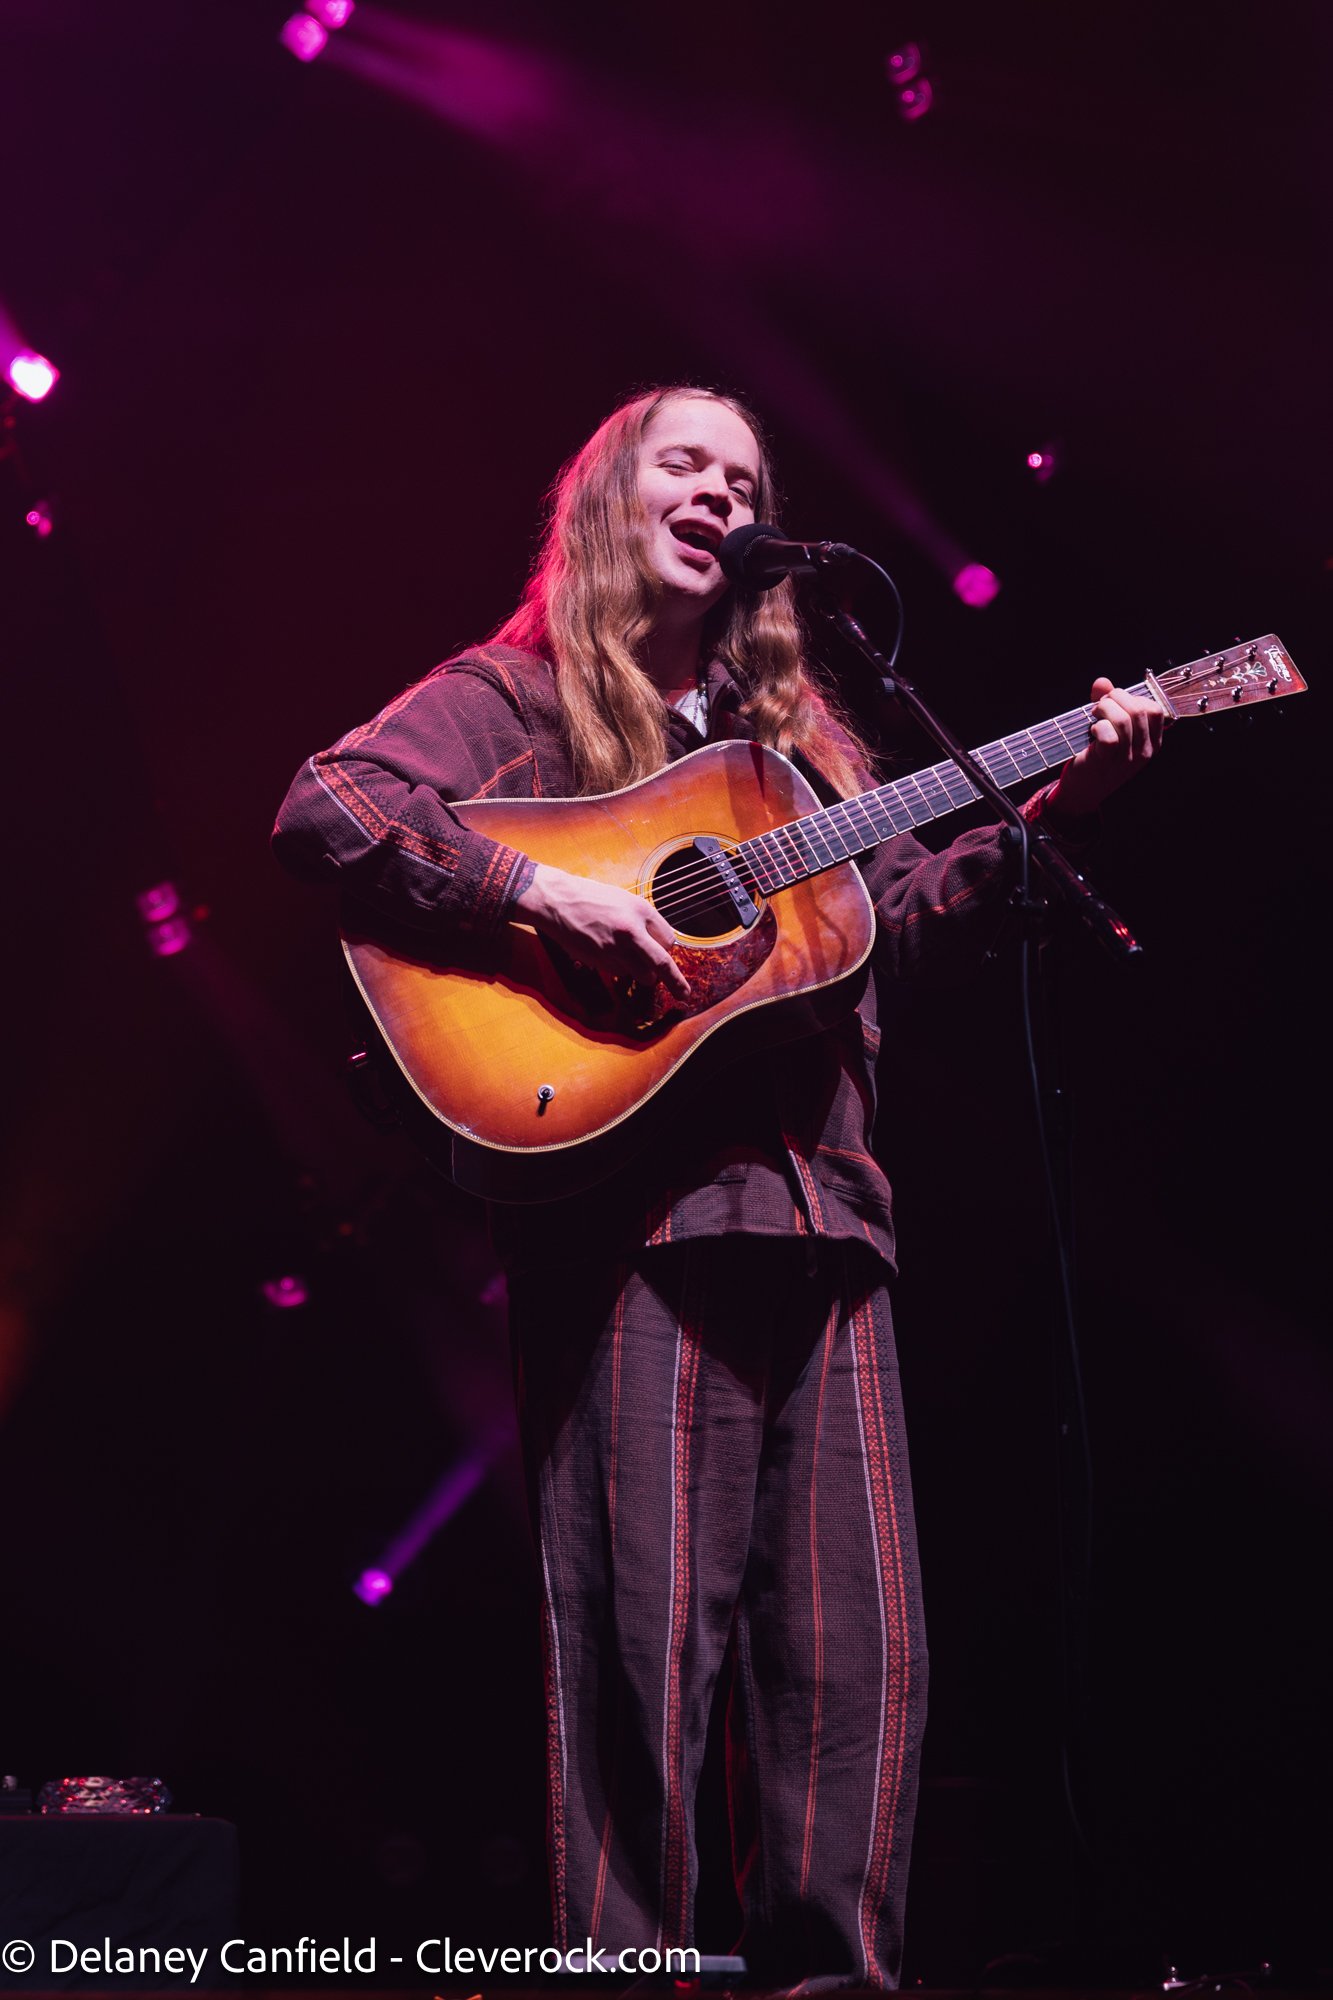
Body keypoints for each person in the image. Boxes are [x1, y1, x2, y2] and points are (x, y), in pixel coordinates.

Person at [273, 385, 1164, 1990]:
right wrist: (543, 889)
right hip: (632, 1233)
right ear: (611, 495)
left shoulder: (798, 755)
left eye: (744, 475)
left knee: (854, 1671)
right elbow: (329, 805)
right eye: (687, 461)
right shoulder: (515, 694)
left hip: (828, 1222)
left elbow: (903, 912)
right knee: (637, 1653)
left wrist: (1063, 804)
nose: (719, 489)